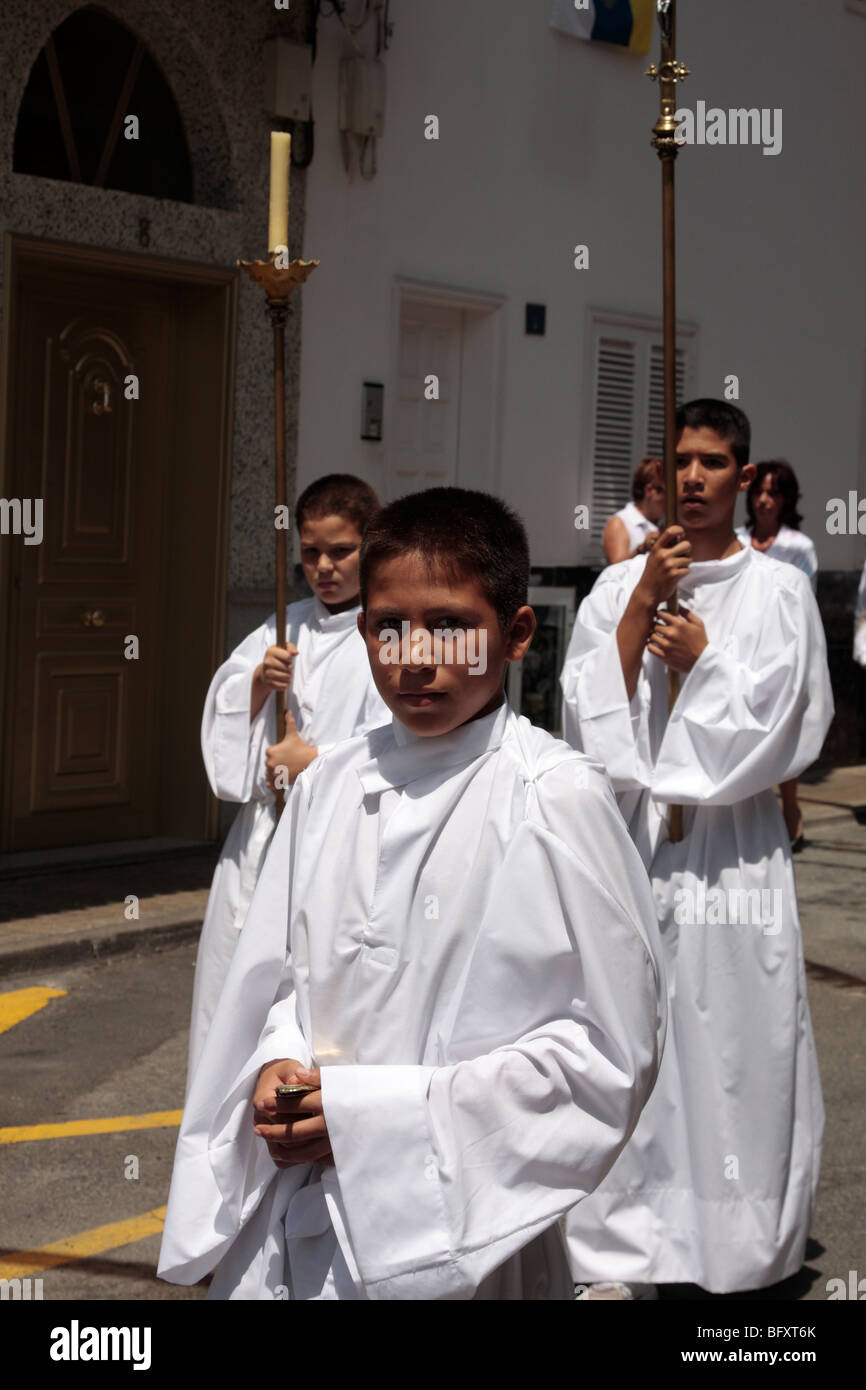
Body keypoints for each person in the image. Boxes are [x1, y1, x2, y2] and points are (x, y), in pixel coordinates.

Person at [158, 486, 666, 1300]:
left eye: (452, 625)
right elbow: (276, 976)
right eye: (388, 626)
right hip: (299, 1229)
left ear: (517, 635)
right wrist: (276, 1060)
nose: (414, 654)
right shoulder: (330, 786)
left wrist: (366, 1119)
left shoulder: (553, 797)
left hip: (461, 1244)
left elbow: (610, 1056)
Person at [560, 399, 833, 1297]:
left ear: (744, 476)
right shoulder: (618, 588)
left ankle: (734, 1248)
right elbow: (588, 713)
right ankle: (621, 1249)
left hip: (733, 849)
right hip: (642, 844)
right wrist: (642, 603)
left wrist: (706, 665)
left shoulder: (779, 590)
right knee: (639, 1037)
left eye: (713, 462)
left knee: (732, 1043)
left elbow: (789, 723)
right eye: (681, 459)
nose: (693, 477)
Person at [186, 474, 388, 1084]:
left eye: (341, 551)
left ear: (372, 546)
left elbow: (399, 749)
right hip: (263, 842)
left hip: (341, 846)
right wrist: (253, 686)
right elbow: (225, 755)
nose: (323, 567)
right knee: (234, 996)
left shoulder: (389, 632)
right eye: (309, 552)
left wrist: (316, 764)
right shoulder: (281, 627)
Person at [736, 460, 819, 849]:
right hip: (739, 648)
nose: (765, 500)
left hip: (781, 649)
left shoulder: (798, 547)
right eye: (760, 492)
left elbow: (804, 606)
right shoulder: (735, 539)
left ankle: (789, 808)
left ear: (786, 500)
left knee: (781, 732)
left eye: (774, 493)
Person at [602, 457, 665, 565]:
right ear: (650, 490)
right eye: (666, 492)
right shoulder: (620, 522)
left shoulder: (662, 524)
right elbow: (615, 567)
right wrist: (642, 548)